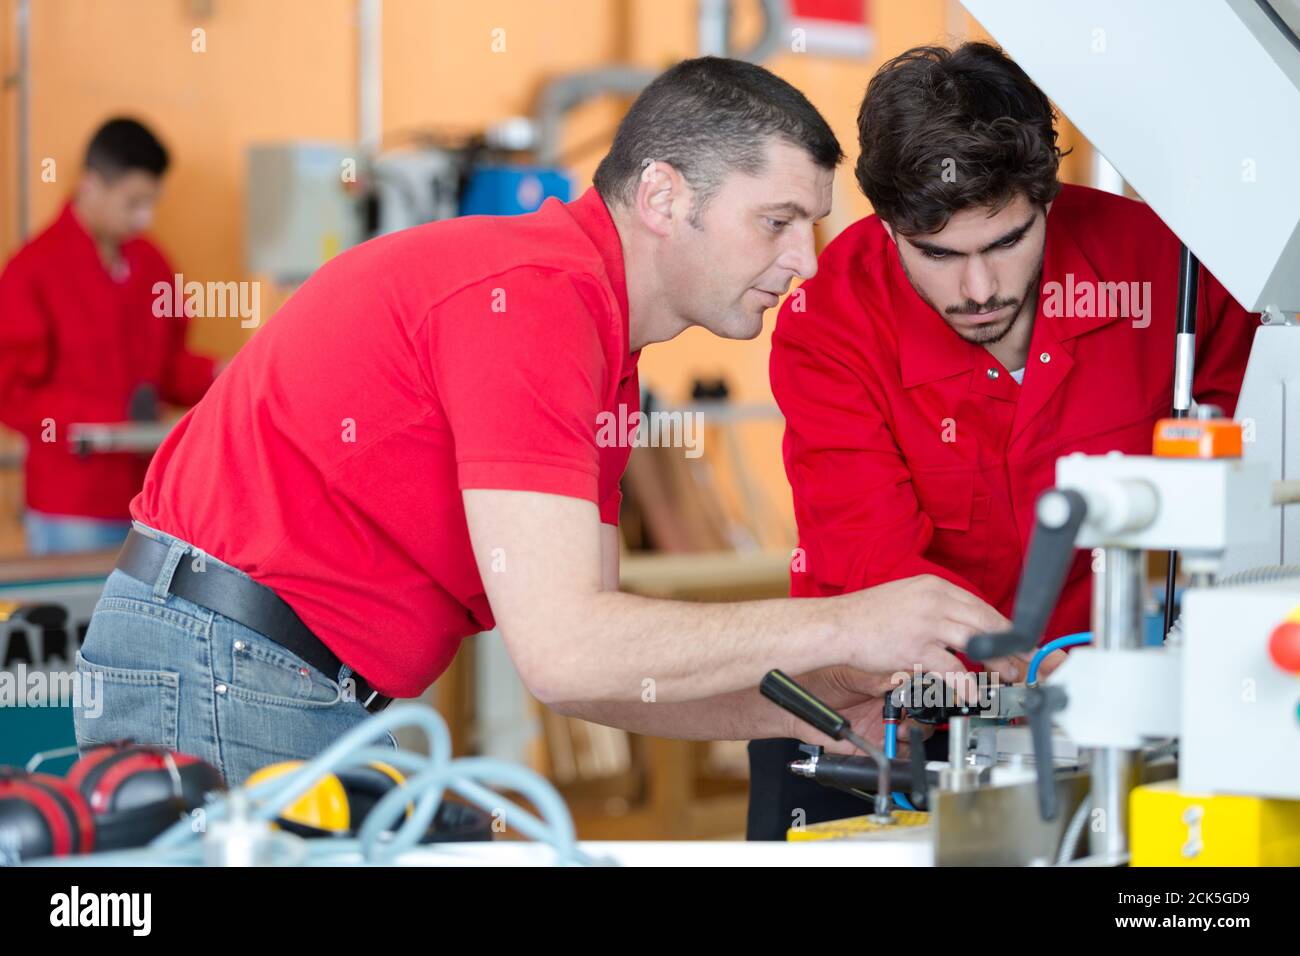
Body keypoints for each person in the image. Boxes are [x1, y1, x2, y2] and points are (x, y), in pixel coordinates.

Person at [73, 57, 1018, 786]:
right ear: (661, 197)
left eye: (811, 225)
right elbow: (566, 645)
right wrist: (847, 625)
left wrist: (815, 710)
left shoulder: (600, 349)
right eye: (776, 222)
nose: (804, 261)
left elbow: (594, 670)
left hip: (281, 676)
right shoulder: (534, 303)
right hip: (226, 663)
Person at [749, 42, 1254, 839]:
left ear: (1047, 198)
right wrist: (1029, 674)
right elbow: (877, 565)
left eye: (1006, 243)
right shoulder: (830, 323)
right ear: (886, 226)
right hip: (879, 720)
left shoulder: (1166, 269)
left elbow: (1249, 484)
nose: (979, 290)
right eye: (939, 256)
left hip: (1127, 724)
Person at [0, 118, 216, 555]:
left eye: (152, 203)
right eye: (134, 202)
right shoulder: (33, 271)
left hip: (152, 503)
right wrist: (105, 420)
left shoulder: (153, 264)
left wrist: (222, 375)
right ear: (91, 186)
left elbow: (169, 369)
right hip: (72, 507)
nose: (145, 217)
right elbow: (12, 394)